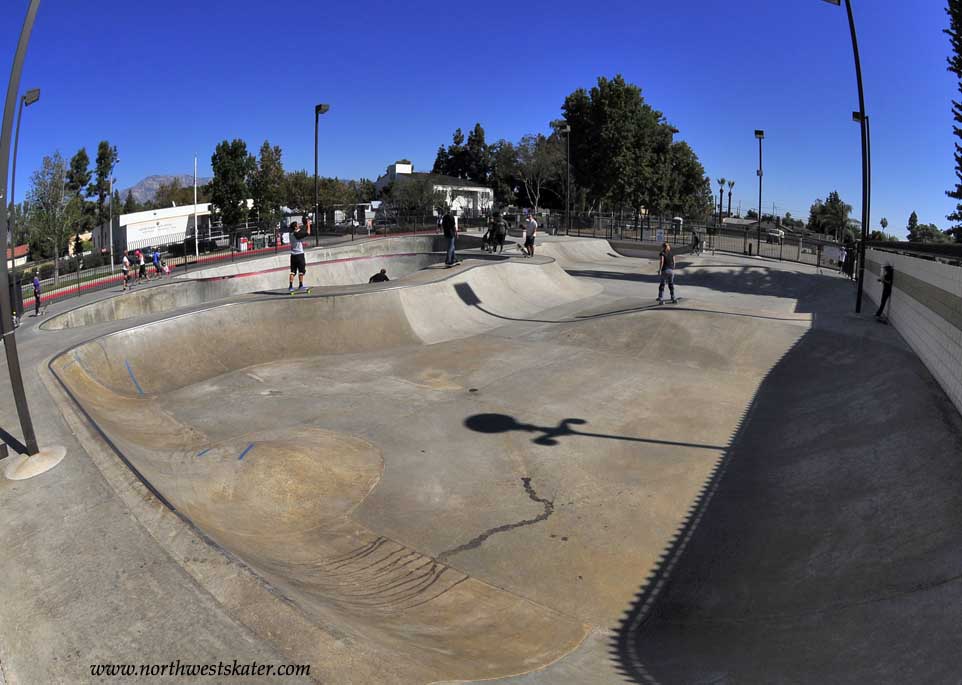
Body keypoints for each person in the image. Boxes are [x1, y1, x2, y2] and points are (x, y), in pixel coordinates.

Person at [288, 218, 311, 292]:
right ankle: (301, 285)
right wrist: (308, 224)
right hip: (299, 255)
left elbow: (299, 231)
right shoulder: (297, 234)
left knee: (293, 272)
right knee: (301, 271)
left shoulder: (291, 234)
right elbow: (308, 232)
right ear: (295, 227)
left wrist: (304, 226)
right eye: (297, 225)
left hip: (293, 255)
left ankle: (290, 286)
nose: (299, 225)